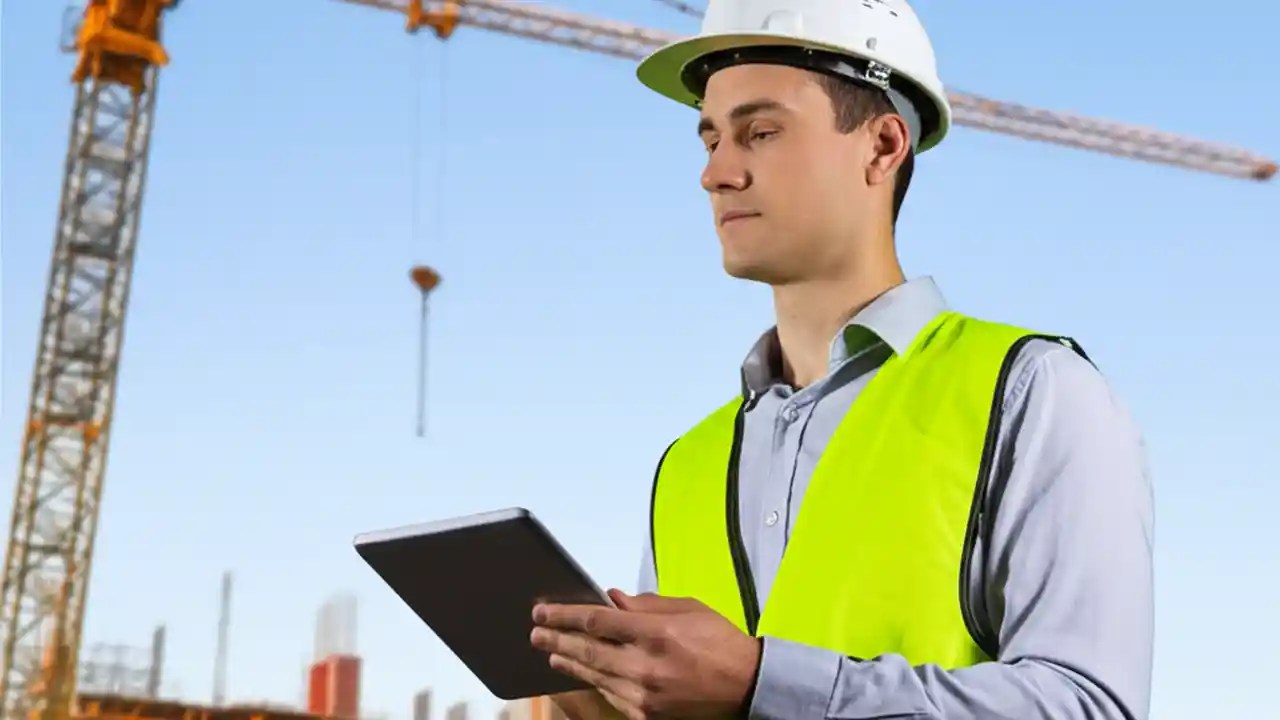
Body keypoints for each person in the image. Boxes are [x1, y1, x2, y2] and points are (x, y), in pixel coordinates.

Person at [528, 1, 1155, 718]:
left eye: (761, 133)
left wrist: (760, 683)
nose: (716, 173)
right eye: (711, 140)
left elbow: (1089, 705)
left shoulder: (1034, 393)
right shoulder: (684, 468)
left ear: (883, 147)